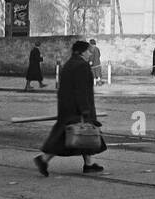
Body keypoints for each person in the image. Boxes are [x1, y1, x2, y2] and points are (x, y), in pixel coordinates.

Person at [34, 40, 106, 176]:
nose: (90, 53)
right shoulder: (82, 66)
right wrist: (85, 110)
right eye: (88, 51)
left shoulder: (70, 64)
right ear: (82, 52)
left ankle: (89, 163)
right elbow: (81, 90)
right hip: (77, 109)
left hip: (67, 106)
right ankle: (43, 159)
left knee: (85, 135)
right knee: (70, 137)